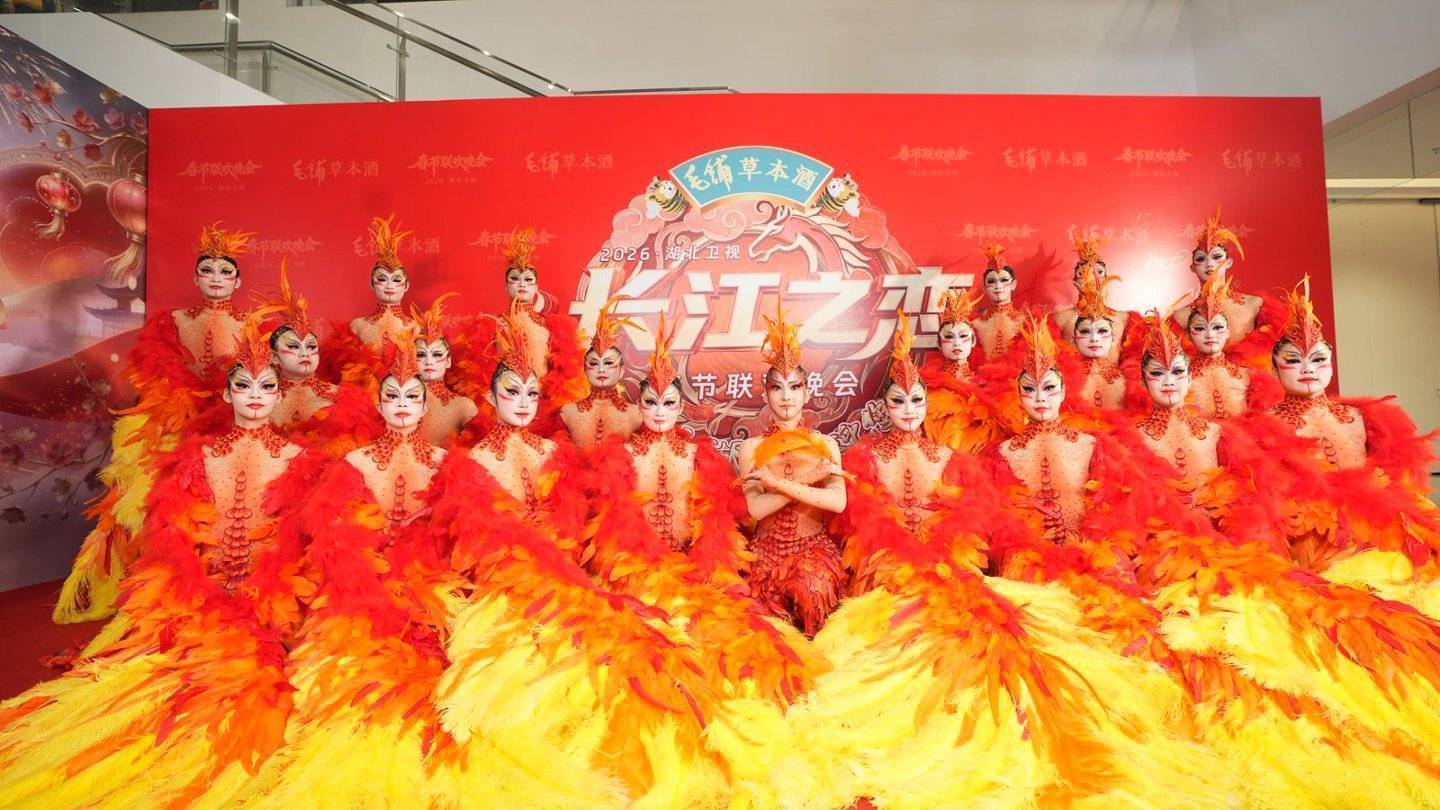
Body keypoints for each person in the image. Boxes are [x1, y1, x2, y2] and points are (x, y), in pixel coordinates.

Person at [0, 312, 319, 806]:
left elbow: (305, 541)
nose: (255, 395)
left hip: (271, 599)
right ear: (227, 395)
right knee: (163, 681)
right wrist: (197, 588)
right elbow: (173, 539)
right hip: (201, 595)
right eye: (243, 385)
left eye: (266, 387)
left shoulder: (303, 460)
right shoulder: (198, 455)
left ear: (278, 396)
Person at [424, 301, 722, 805]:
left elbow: (578, 527)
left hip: (568, 583)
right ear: (490, 398)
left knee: (632, 656)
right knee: (527, 681)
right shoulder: (469, 464)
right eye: (511, 392)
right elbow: (474, 546)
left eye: (531, 393)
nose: (523, 402)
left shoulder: (555, 454)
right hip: (506, 595)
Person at [55, 222, 256, 623]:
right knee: (152, 489)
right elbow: (154, 371)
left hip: (230, 417)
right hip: (174, 417)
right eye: (207, 270)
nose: (216, 278)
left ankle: (220, 577)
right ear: (196, 278)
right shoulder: (173, 320)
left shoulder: (253, 326)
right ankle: (158, 579)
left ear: (238, 281)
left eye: (226, 271)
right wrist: (177, 403)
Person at [736, 301, 847, 635]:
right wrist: (810, 479)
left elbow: (837, 502)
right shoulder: (750, 447)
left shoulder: (825, 444)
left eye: (795, 387)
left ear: (807, 392)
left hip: (813, 549)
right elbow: (756, 509)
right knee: (759, 626)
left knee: (813, 588)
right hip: (763, 553)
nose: (787, 397)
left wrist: (777, 483)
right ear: (765, 393)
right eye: (777, 387)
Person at [1174, 206, 1288, 368]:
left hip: (1248, 381)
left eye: (1216, 257)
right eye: (1201, 259)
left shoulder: (1255, 305)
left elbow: (1281, 356)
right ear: (1192, 267)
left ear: (1228, 263)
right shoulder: (1180, 316)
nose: (1209, 264)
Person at [920, 287, 1016, 453]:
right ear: (939, 344)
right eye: (949, 337)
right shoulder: (929, 385)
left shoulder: (984, 383)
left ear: (973, 341)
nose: (957, 343)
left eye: (963, 336)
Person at [1181, 269, 1284, 420]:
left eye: (1217, 327)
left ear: (1228, 332)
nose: (1210, 335)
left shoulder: (1249, 376)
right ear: (1189, 335)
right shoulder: (1179, 380)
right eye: (1200, 328)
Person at [560, 296, 643, 449]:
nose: (601, 369)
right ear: (585, 370)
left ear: (621, 371)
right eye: (594, 363)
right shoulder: (566, 412)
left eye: (609, 363)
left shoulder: (638, 415)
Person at [410, 292, 479, 447]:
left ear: (448, 361)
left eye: (436, 355)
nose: (429, 361)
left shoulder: (463, 406)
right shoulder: (396, 401)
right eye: (421, 355)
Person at [1051, 234, 1128, 363]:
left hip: (1113, 376)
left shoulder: (1123, 318)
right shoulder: (1060, 318)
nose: (1091, 278)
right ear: (1075, 281)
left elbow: (1133, 362)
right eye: (1083, 273)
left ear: (1106, 278)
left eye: (1098, 272)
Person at [970, 242, 1026, 357]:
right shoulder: (976, 324)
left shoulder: (1025, 322)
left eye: (1004, 280)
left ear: (1013, 285)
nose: (998, 286)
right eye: (991, 281)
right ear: (985, 288)